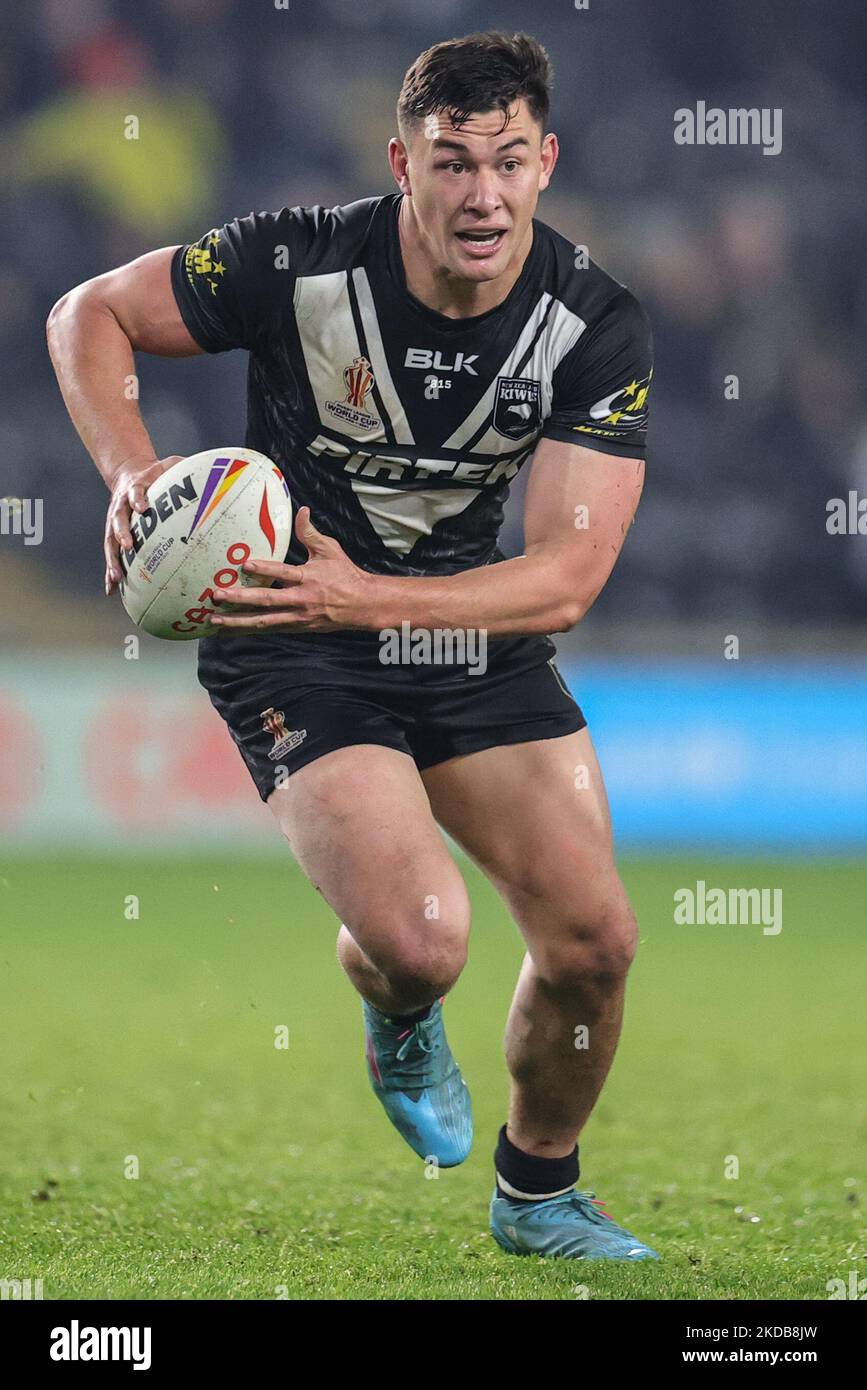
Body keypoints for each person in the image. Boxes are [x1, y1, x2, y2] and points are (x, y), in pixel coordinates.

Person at [47, 30, 657, 1260]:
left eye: (505, 162)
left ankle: (539, 1196)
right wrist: (131, 475)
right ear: (403, 164)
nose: (480, 194)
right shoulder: (296, 258)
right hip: (291, 638)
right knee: (426, 938)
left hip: (455, 625)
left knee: (597, 943)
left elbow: (567, 578)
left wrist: (370, 596)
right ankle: (401, 1005)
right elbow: (88, 313)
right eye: (450, 164)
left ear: (546, 163)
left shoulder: (594, 323)